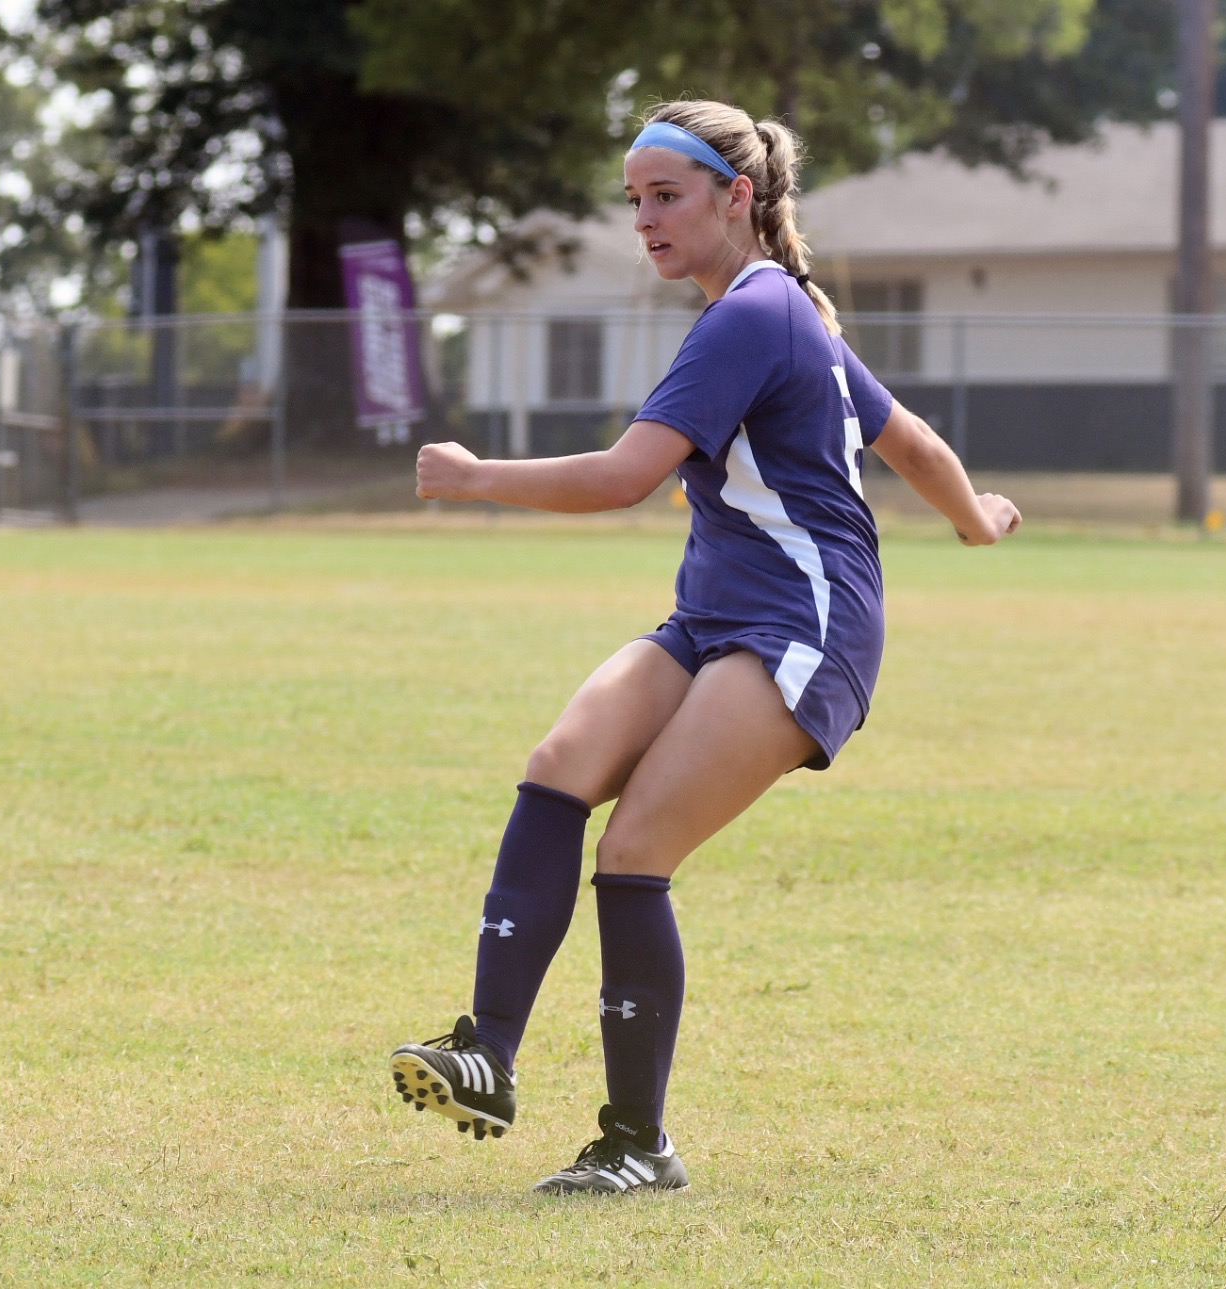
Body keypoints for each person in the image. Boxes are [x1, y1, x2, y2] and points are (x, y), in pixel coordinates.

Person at [387, 100, 1022, 1196]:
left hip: (801, 625)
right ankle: (486, 1049)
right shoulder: (781, 313)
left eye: (665, 195)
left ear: (738, 197)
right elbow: (909, 439)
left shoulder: (752, 314)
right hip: (713, 614)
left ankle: (638, 1141)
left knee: (632, 849)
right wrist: (976, 519)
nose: (643, 218)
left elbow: (625, 475)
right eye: (633, 199)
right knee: (561, 763)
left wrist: (475, 475)